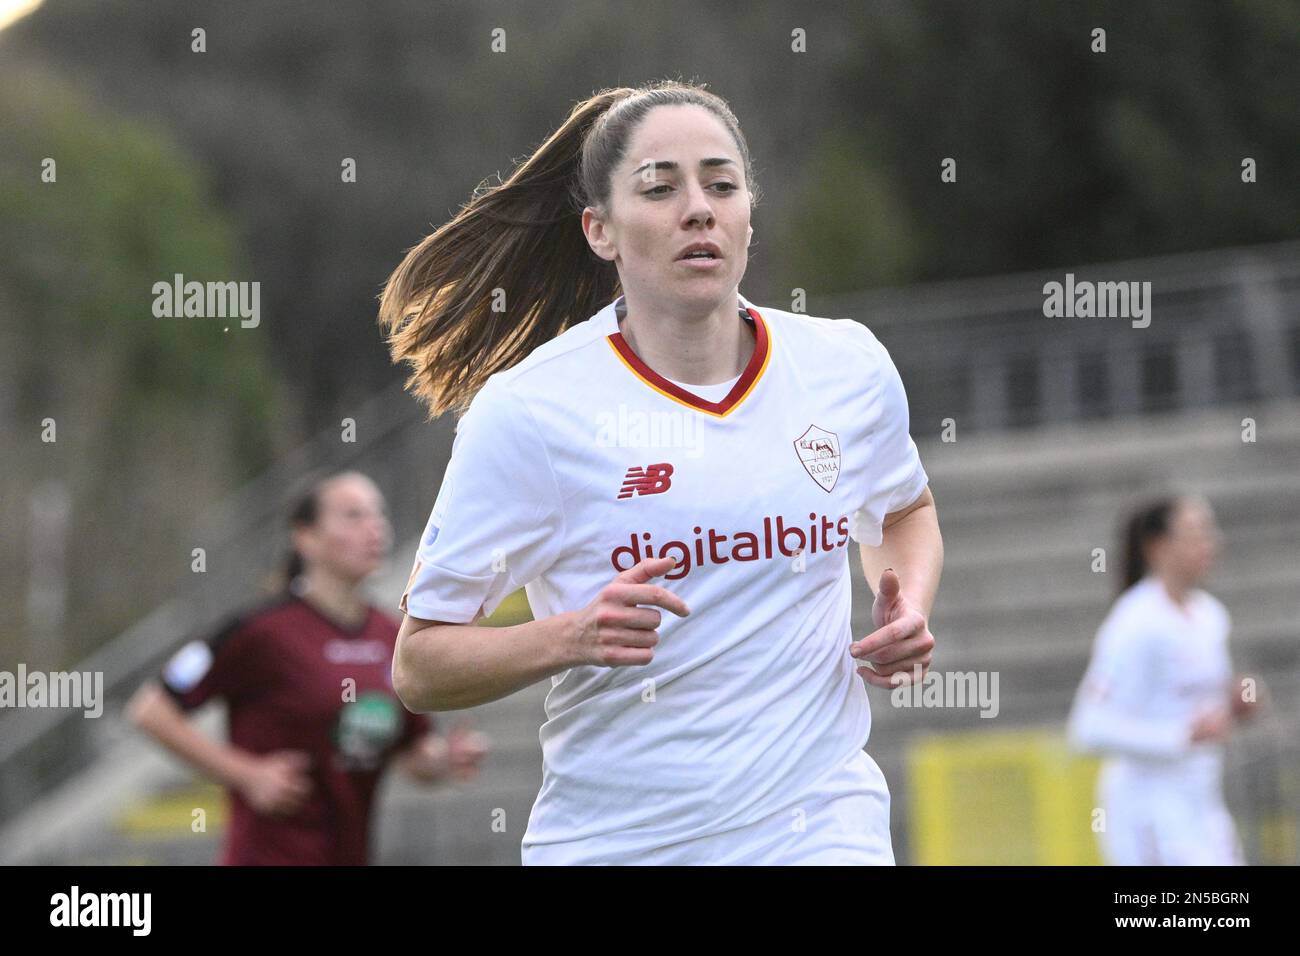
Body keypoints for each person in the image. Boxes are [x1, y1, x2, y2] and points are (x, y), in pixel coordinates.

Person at [377, 81, 943, 865]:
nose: (699, 209)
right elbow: (420, 664)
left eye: (721, 184)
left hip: (821, 825)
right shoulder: (531, 412)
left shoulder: (844, 364)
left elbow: (903, 512)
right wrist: (571, 635)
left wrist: (905, 606)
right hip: (621, 844)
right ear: (600, 230)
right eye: (660, 188)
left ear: (749, 212)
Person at [127, 470, 488, 865]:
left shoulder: (392, 636)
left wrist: (444, 760)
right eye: (353, 515)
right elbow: (150, 710)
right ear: (306, 538)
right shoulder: (262, 630)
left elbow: (411, 756)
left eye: (378, 514)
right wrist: (248, 774)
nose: (376, 528)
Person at [1067, 494, 1258, 865]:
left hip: (1204, 806)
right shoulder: (1135, 623)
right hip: (1148, 814)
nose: (1211, 542)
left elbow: (1199, 705)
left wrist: (1237, 703)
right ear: (1158, 547)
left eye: (1210, 531)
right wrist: (1179, 737)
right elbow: (1087, 728)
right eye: (1195, 532)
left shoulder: (1210, 616)